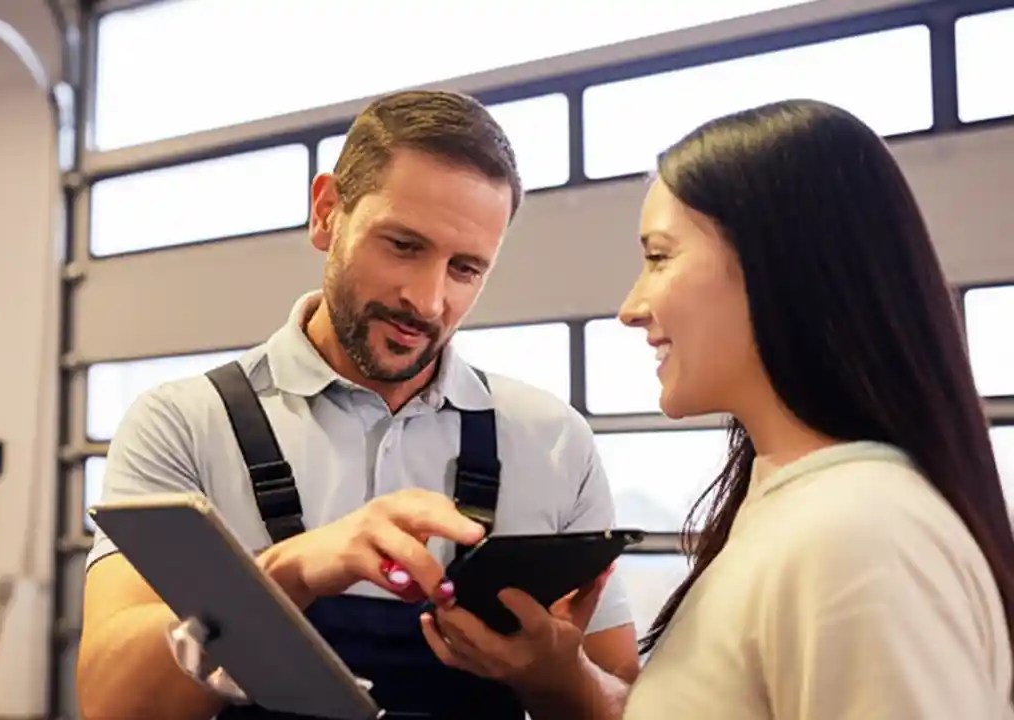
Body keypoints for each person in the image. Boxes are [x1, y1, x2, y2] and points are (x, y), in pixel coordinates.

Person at [428, 97, 1014, 718]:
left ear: (777, 264)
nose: (631, 306)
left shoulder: (856, 537)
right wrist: (558, 679)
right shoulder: (800, 510)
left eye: (658, 257)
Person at [76, 89, 640, 720]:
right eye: (403, 245)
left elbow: (628, 703)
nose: (426, 301)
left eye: (465, 269)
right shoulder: (184, 424)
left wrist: (561, 678)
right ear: (326, 213)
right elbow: (109, 703)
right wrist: (287, 573)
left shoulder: (554, 440)